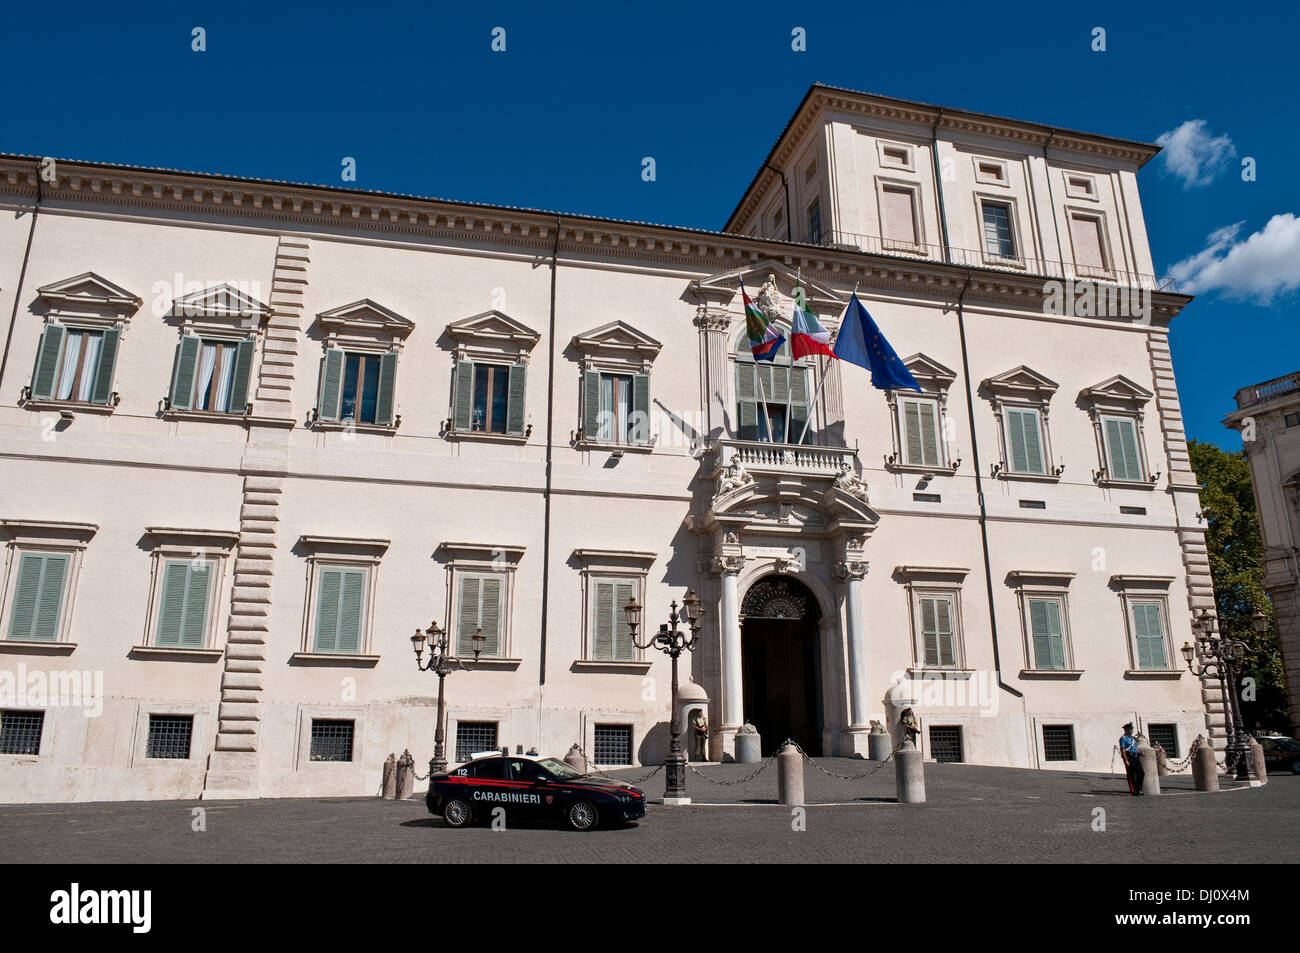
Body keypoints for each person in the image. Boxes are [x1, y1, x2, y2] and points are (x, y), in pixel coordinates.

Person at [1120, 722, 1144, 795]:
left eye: (1132, 729)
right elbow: (1123, 750)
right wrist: (1126, 760)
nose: (1132, 730)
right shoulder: (1123, 738)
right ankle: (1134, 791)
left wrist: (1139, 752)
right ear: (1126, 730)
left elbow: (1134, 748)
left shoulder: (1132, 738)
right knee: (1131, 775)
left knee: (1141, 773)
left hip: (1135, 757)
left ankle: (1138, 789)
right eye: (1130, 729)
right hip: (1129, 757)